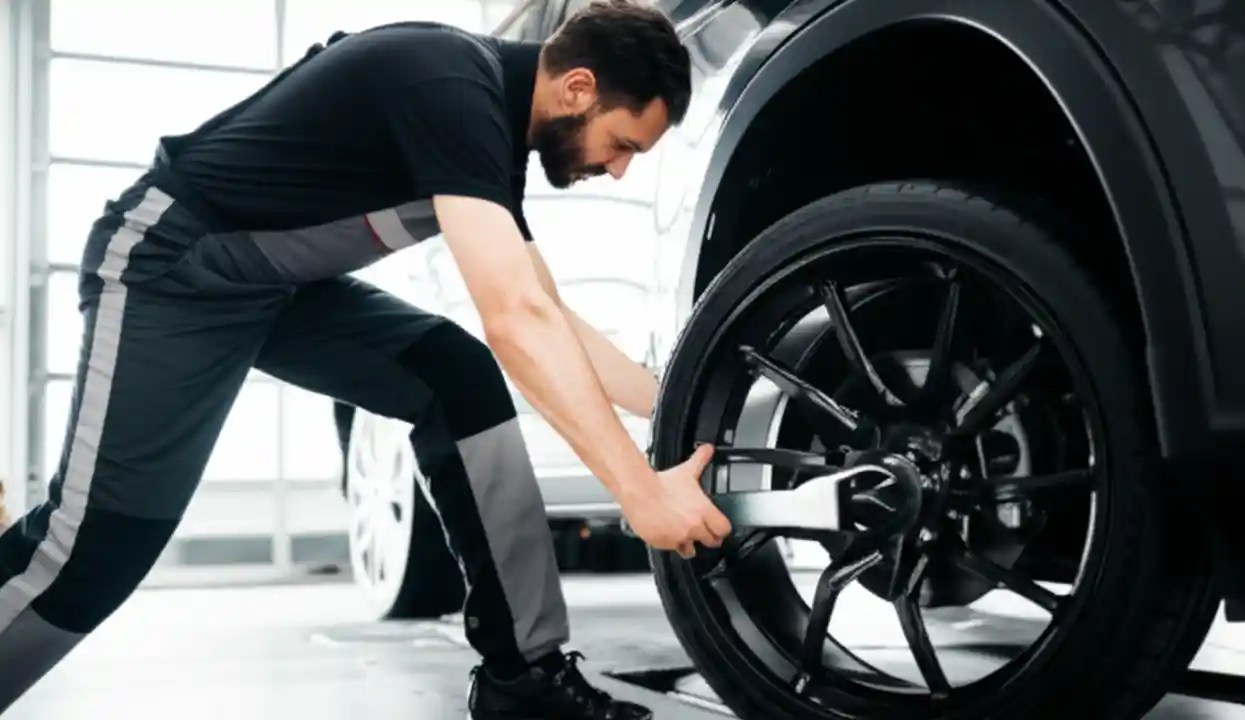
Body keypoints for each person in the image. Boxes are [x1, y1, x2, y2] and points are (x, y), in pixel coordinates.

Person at [0, 1, 733, 717]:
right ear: (579, 88)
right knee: (92, 551)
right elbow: (516, 320)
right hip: (173, 263)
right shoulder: (450, 82)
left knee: (455, 375)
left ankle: (524, 676)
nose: (618, 171)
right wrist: (637, 491)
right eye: (625, 145)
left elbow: (551, 317)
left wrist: (690, 404)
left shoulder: (488, 129)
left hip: (270, 286)